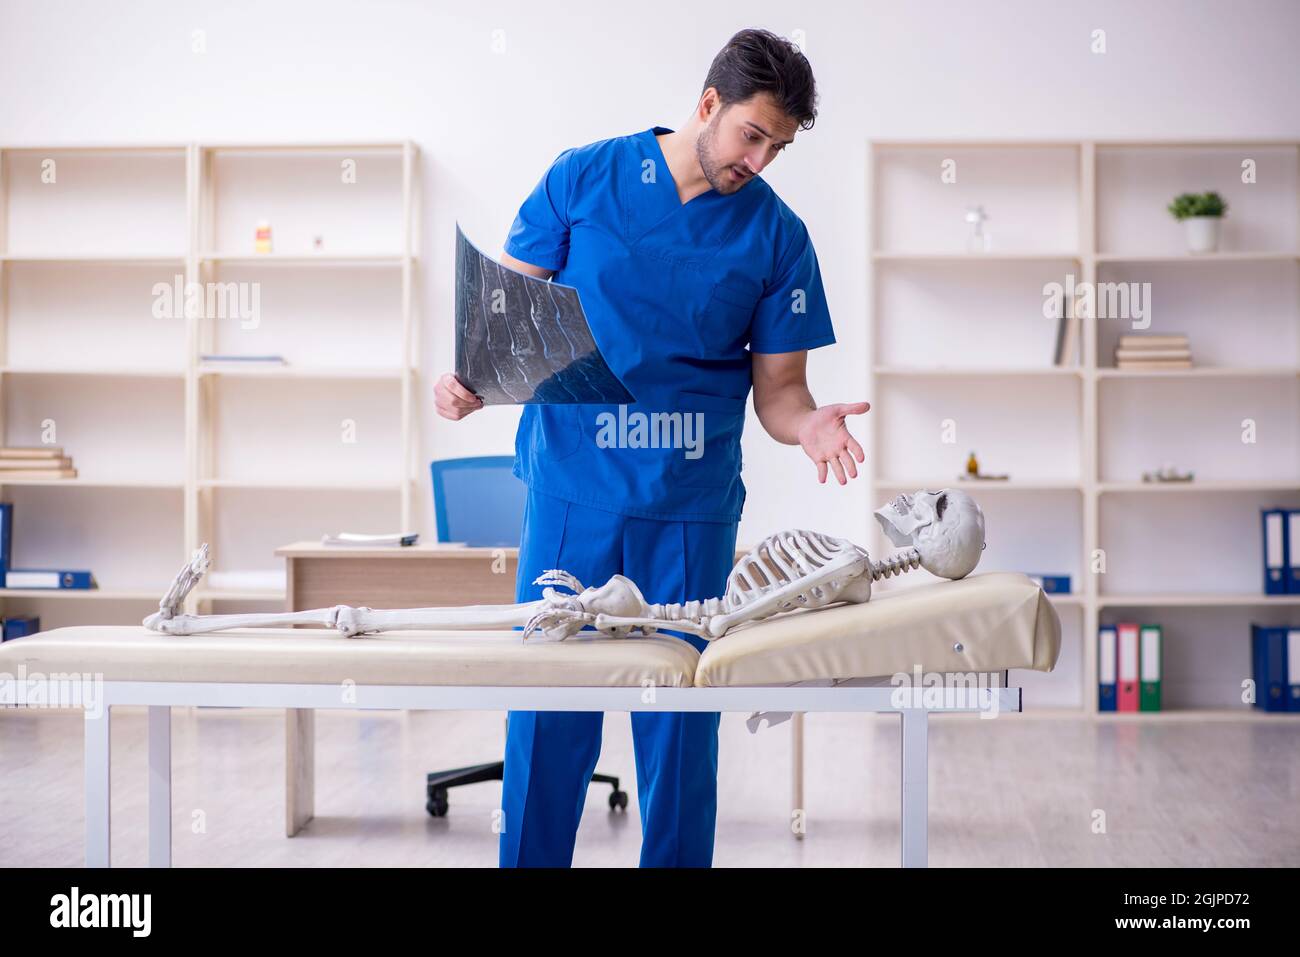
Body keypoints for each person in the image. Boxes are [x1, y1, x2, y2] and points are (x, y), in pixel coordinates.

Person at [434, 27, 868, 868]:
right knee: (549, 719)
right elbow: (503, 331)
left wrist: (809, 423)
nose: (761, 160)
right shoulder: (583, 178)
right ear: (708, 105)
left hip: (688, 507)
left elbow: (780, 393)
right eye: (753, 134)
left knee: (677, 732)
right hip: (571, 491)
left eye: (778, 147)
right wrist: (464, 381)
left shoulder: (778, 238)